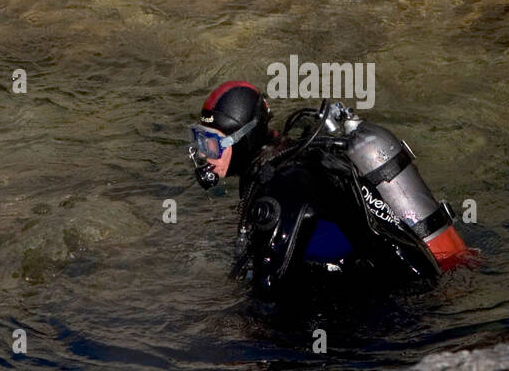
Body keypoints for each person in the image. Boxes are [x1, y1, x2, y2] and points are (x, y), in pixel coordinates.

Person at [189, 81, 471, 293]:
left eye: (210, 144)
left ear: (243, 140)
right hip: (391, 280)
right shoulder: (274, 164)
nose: (203, 154)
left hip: (409, 301)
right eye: (200, 140)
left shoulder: (285, 185)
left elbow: (269, 284)